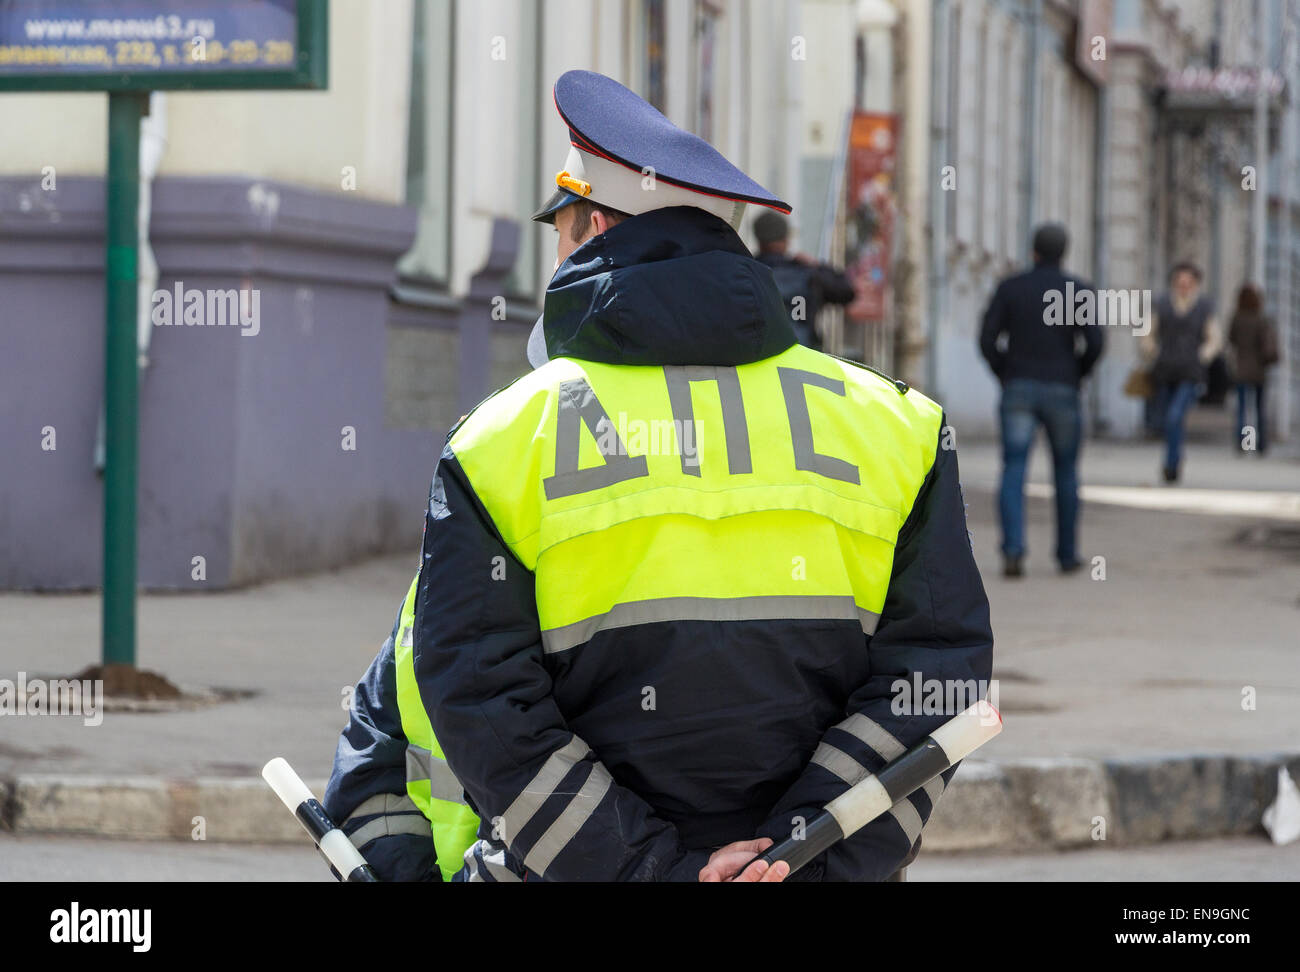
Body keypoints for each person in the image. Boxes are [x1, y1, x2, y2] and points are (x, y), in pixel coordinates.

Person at [324, 70, 993, 883]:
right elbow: (936, 676)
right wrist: (798, 857)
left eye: (563, 231)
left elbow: (480, 700)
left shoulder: (501, 440)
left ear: (595, 228)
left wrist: (653, 873)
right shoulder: (901, 429)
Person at [978, 223, 1104, 578]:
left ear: (1033, 251)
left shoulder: (1011, 288)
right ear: (1064, 252)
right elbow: (1095, 343)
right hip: (1063, 387)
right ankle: (1066, 554)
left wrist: (1005, 371)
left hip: (1018, 385)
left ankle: (1014, 549)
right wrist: (1077, 372)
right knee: (1065, 471)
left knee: (1013, 467)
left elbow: (987, 338)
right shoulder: (1078, 291)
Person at [1143, 263, 1222, 483]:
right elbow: (1148, 332)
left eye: (1188, 283)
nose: (1183, 287)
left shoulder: (1204, 306)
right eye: (1180, 282)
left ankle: (1171, 463)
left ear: (1195, 284)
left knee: (1174, 416)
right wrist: (1152, 352)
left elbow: (1214, 338)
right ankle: (1175, 457)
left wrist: (1202, 356)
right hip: (1165, 370)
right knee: (1167, 420)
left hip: (1190, 372)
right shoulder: (1162, 303)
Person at [752, 210, 856, 351]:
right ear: (785, 239)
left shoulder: (749, 272)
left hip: (759, 357)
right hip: (803, 357)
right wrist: (816, 265)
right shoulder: (807, 273)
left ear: (758, 239)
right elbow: (847, 291)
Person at [1227, 283, 1279, 456]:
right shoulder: (1261, 319)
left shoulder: (1237, 318)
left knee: (1242, 408)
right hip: (1258, 370)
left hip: (1241, 368)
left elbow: (1231, 339)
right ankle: (1261, 444)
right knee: (1259, 409)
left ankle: (1242, 444)